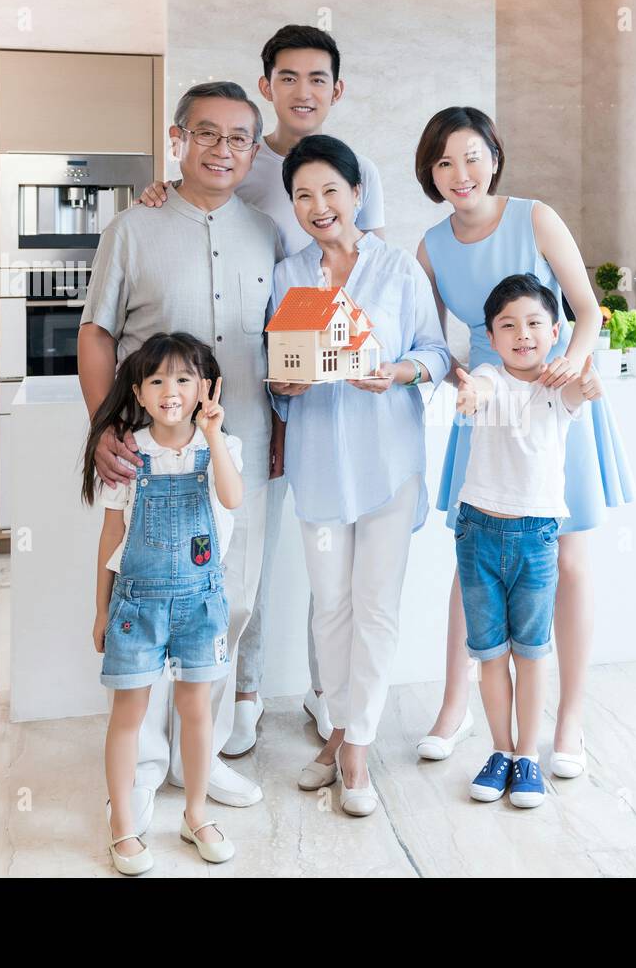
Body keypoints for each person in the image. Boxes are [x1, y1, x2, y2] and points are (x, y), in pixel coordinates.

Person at [138, 25, 385, 752]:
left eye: (318, 79)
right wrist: (158, 188)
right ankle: (242, 693)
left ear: (336, 89)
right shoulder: (237, 163)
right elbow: (190, 200)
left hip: (320, 395)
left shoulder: (358, 166)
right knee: (249, 558)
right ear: (267, 83)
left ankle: (325, 695)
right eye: (288, 77)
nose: (303, 92)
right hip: (243, 394)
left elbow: (366, 280)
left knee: (315, 566)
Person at [78, 81, 280, 834]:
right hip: (152, 456)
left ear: (253, 151)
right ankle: (140, 771)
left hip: (239, 450)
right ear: (177, 137)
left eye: (237, 138)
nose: (222, 149)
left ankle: (204, 757)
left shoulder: (267, 231)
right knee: (144, 596)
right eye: (207, 133)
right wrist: (104, 427)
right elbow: (98, 334)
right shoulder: (134, 225)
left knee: (227, 602)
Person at [413, 106, 636, 776]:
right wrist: (452, 374)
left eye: (472, 155)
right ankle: (455, 706)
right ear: (431, 172)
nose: (461, 173)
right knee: (471, 556)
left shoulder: (535, 216)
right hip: (484, 402)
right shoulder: (430, 245)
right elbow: (430, 339)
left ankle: (568, 722)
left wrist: (574, 359)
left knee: (567, 560)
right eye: (445, 161)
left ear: (495, 155)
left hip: (556, 395)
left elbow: (589, 308)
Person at [268, 135, 449, 816]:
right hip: (319, 464)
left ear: (357, 194)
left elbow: (435, 353)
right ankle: (338, 725)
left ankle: (356, 747)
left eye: (330, 191)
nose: (319, 206)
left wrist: (398, 371)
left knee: (376, 606)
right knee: (331, 608)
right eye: (303, 196)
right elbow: (281, 383)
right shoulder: (289, 277)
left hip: (388, 464)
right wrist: (284, 383)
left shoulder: (399, 269)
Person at [83, 333, 243, 874]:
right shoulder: (130, 452)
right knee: (128, 714)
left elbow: (232, 497)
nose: (170, 390)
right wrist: (101, 609)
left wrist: (213, 435)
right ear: (138, 391)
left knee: (196, 710)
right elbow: (110, 539)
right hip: (137, 606)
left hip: (201, 604)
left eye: (183, 378)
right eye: (156, 380)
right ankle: (122, 824)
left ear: (205, 386)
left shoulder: (221, 445)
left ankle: (196, 813)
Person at [454, 275, 602, 808]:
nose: (523, 334)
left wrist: (586, 381)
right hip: (477, 532)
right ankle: (500, 751)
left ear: (556, 331)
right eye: (508, 325)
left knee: (533, 652)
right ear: (491, 338)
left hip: (537, 535)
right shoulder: (491, 375)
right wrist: (470, 393)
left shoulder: (558, 386)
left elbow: (575, 392)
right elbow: (483, 388)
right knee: (490, 652)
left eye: (535, 323)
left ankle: (529, 757)